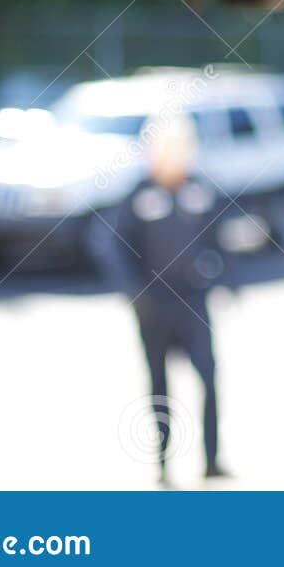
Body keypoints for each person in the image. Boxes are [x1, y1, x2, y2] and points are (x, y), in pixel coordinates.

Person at [93, 112, 232, 484]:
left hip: (193, 302)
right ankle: (163, 464)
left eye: (181, 148)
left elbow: (219, 241)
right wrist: (135, 292)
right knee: (159, 385)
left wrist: (220, 275)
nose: (174, 156)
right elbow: (111, 246)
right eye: (166, 149)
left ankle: (212, 460)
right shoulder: (138, 196)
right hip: (154, 307)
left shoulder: (199, 191)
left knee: (208, 376)